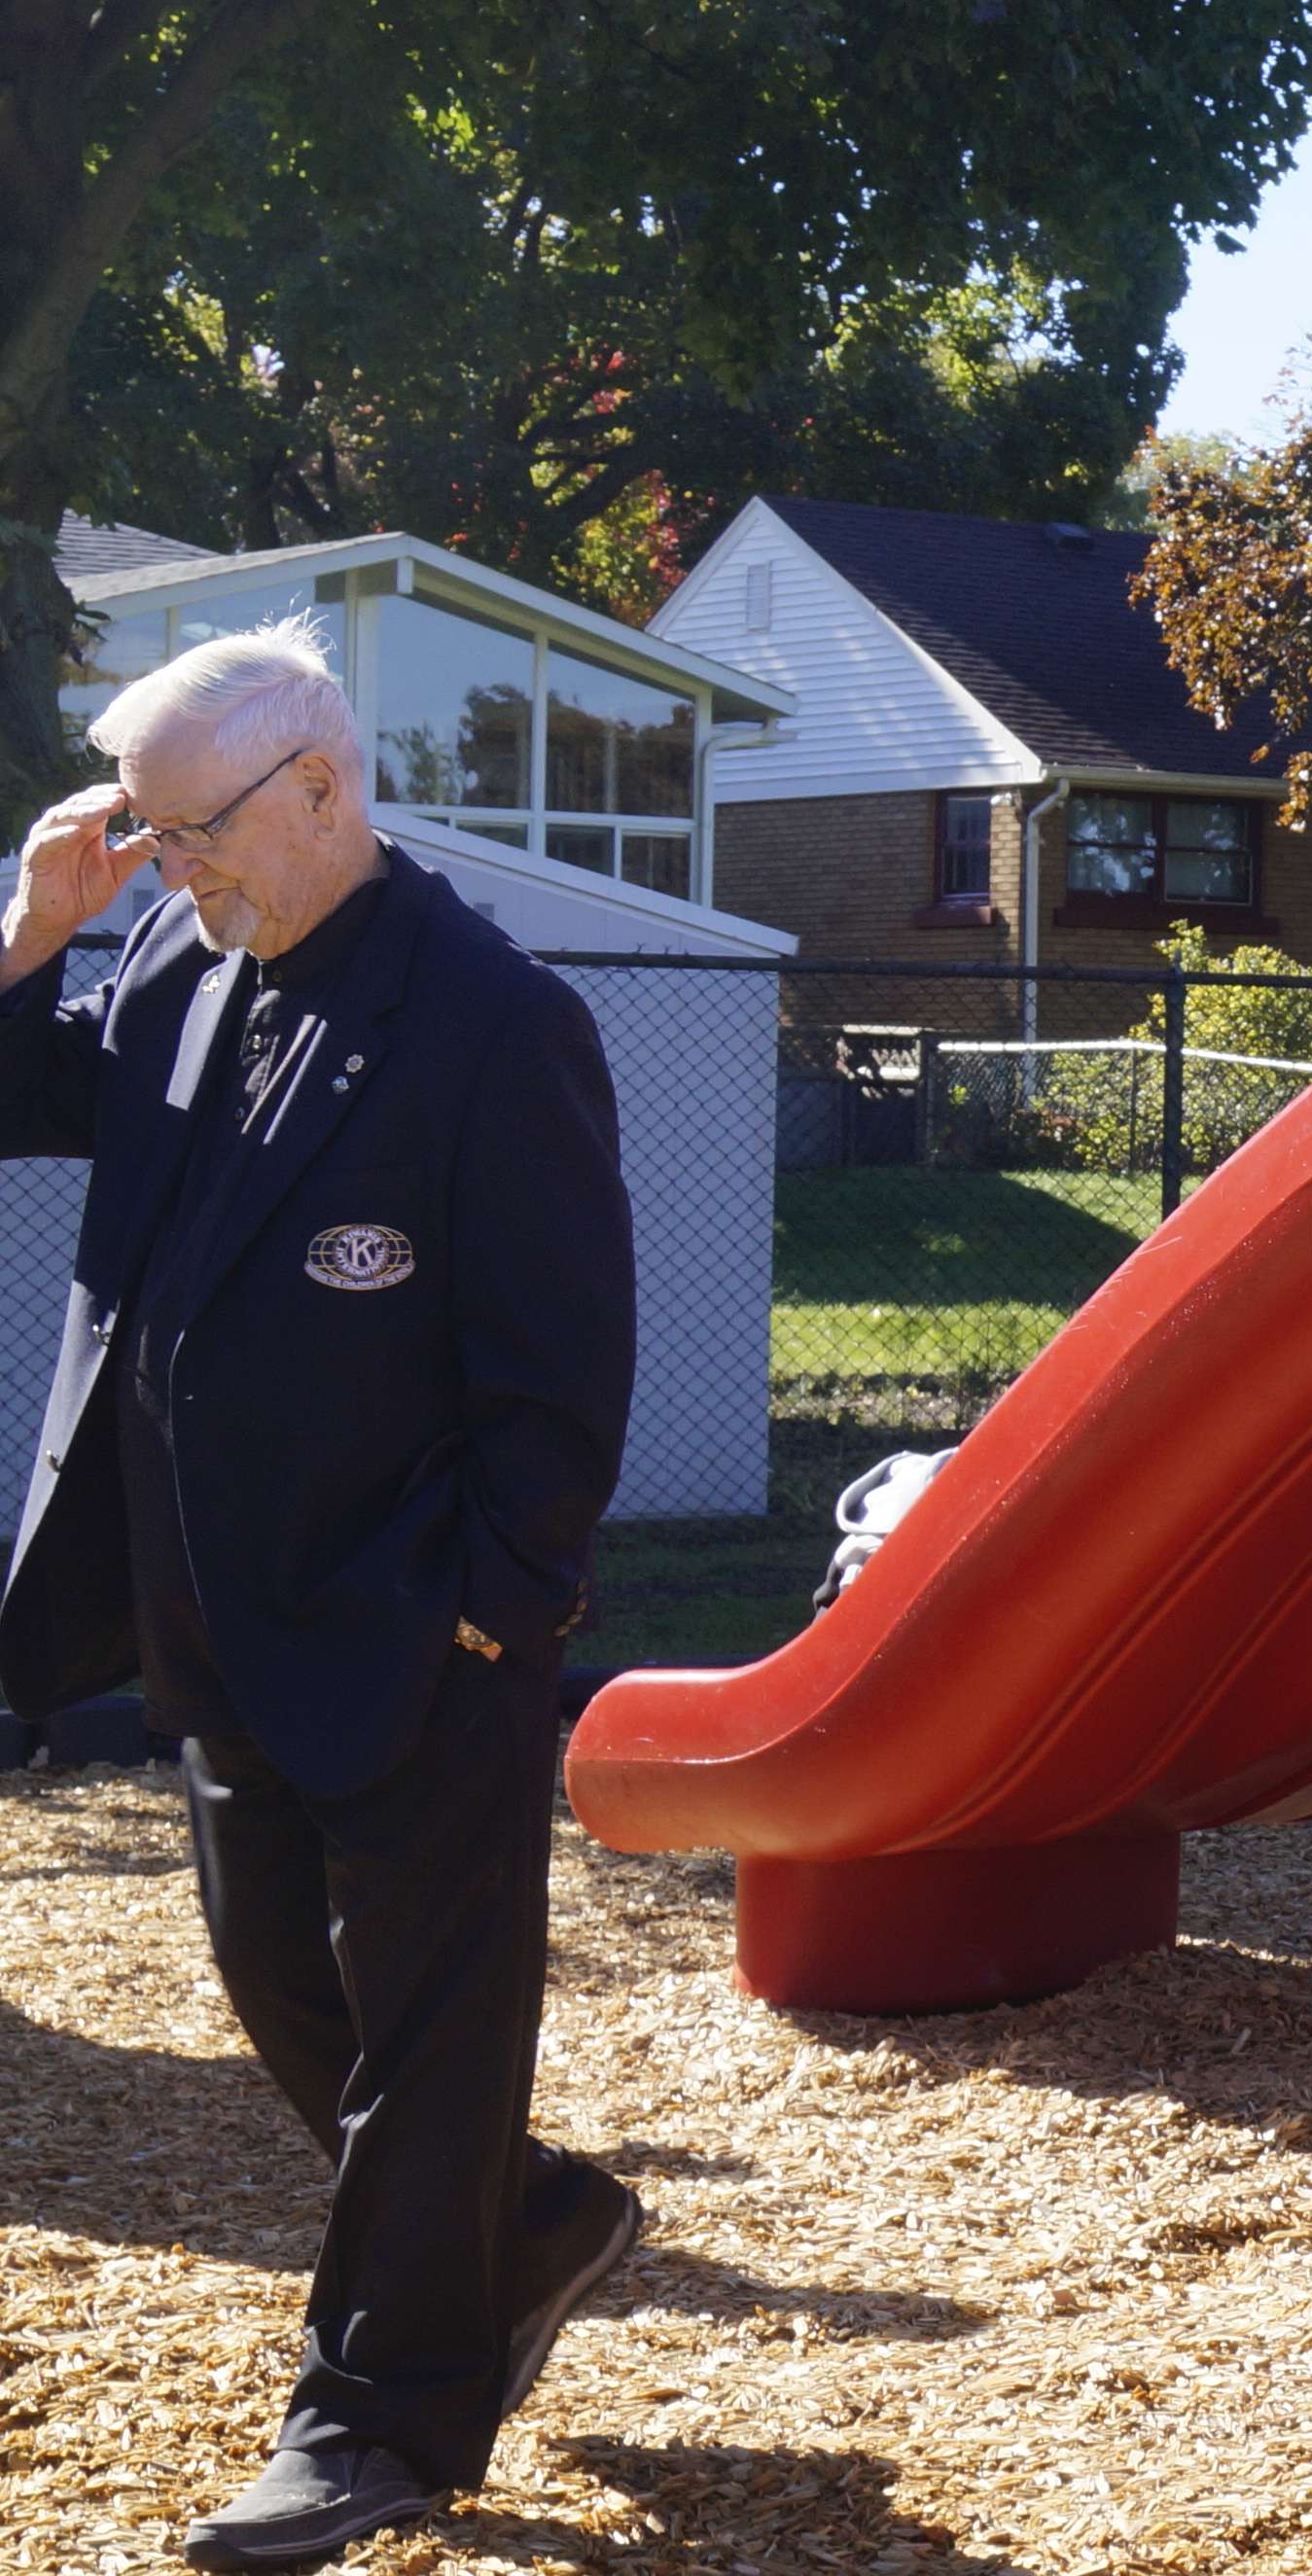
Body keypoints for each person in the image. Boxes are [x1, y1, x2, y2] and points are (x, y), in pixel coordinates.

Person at [0, 627, 641, 2566]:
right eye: (148, 830)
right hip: (208, 1613)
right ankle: (520, 2224)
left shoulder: (487, 1017)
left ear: (324, 790)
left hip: (413, 1623)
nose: (169, 865)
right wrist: (33, 923)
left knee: (434, 2021)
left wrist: (491, 1611)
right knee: (285, 1980)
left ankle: (379, 2421)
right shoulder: (180, 966)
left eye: (193, 829)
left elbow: (563, 1364)